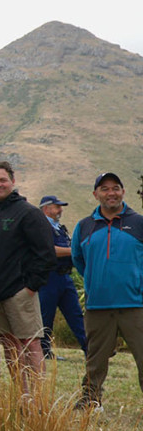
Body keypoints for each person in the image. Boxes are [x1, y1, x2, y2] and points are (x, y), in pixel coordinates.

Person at [0, 161, 55, 393]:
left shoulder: (28, 213)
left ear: (12, 181)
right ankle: (22, 395)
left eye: (2, 180)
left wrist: (30, 287)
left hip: (20, 292)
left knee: (31, 344)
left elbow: (45, 253)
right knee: (8, 346)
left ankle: (38, 400)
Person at [72, 172, 143, 410]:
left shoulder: (139, 223)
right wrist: (97, 282)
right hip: (98, 306)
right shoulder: (84, 227)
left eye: (115, 188)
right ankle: (91, 401)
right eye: (104, 189)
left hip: (136, 304)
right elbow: (79, 261)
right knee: (95, 359)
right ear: (95, 194)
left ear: (123, 191)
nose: (110, 193)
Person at [36, 195, 87, 360]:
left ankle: (91, 349)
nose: (60, 210)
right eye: (57, 206)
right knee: (46, 316)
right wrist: (74, 252)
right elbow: (49, 250)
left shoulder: (60, 228)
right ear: (46, 208)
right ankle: (44, 351)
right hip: (49, 277)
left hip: (64, 276)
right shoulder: (40, 227)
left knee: (76, 314)